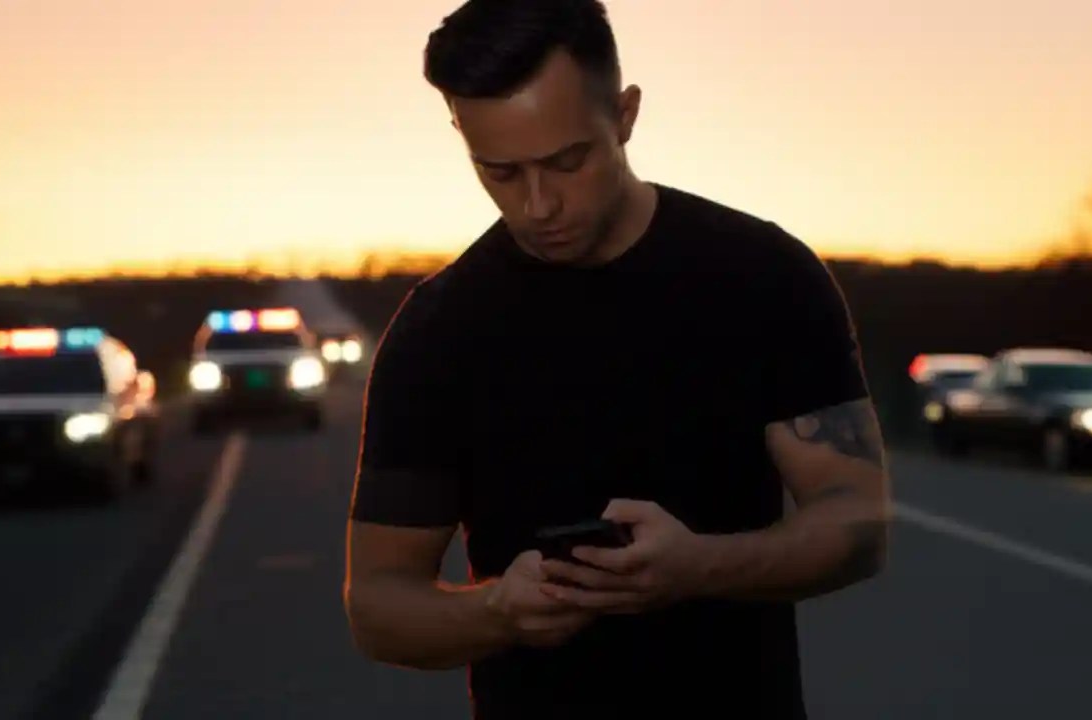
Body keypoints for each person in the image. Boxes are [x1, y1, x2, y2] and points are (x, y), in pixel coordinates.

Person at [343, 1, 892, 717]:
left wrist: (699, 568)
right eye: (501, 171)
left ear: (626, 116)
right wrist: (497, 613)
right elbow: (379, 605)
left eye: (567, 161)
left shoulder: (764, 277)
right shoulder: (439, 330)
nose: (539, 205)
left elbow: (857, 522)